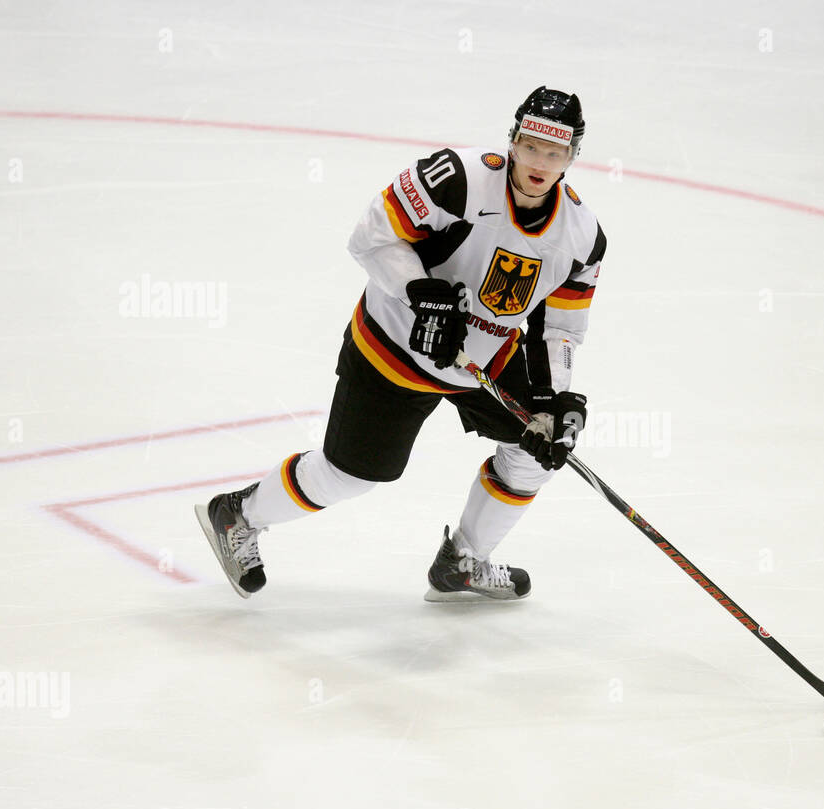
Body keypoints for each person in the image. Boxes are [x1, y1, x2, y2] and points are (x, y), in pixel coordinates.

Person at [195, 86, 605, 602]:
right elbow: (373, 234)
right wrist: (422, 294)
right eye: (530, 146)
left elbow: (559, 328)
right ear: (514, 139)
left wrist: (555, 400)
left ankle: (462, 561)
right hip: (393, 349)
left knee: (534, 454)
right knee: (348, 478)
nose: (539, 162)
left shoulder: (582, 235)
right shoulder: (455, 178)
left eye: (555, 152)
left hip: (484, 358)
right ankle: (238, 514)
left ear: (571, 156)